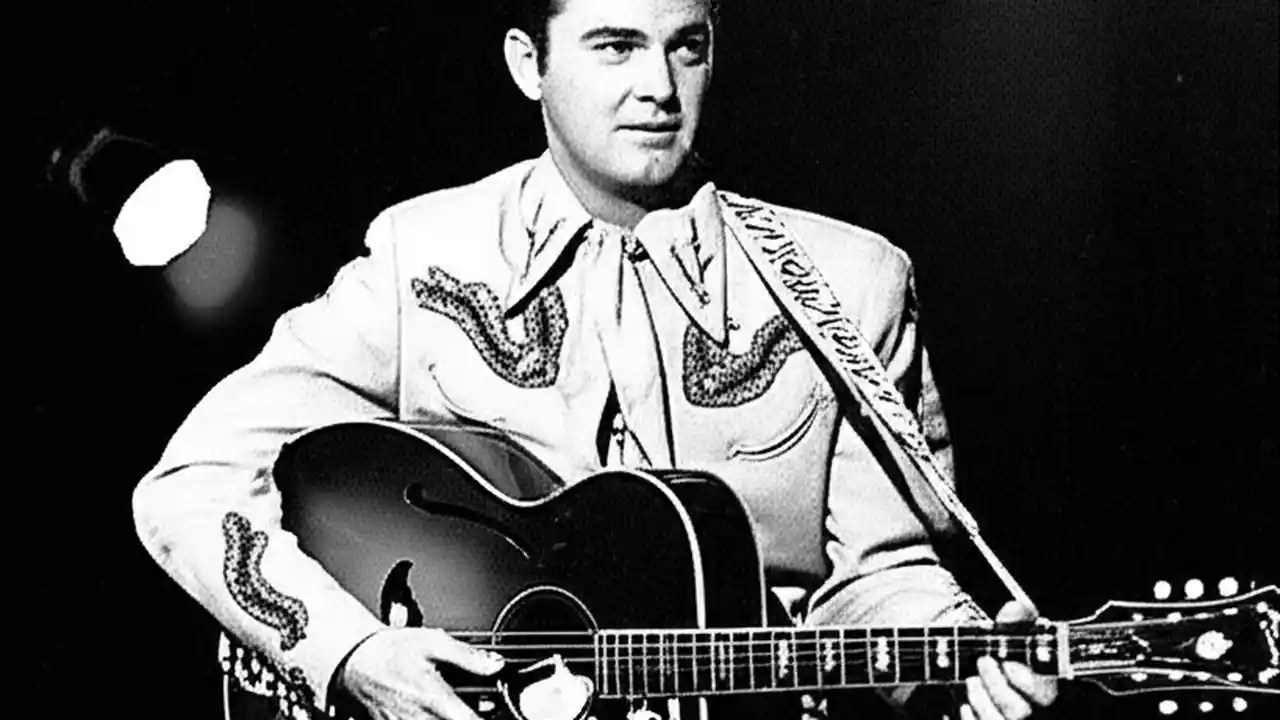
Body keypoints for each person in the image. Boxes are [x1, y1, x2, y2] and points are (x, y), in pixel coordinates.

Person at [132, 1, 1060, 718]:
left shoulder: (852, 283)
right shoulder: (428, 256)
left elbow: (879, 577)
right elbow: (190, 483)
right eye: (615, 47)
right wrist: (351, 655)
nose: (659, 85)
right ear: (527, 65)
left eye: (686, 46)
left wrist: (962, 667)